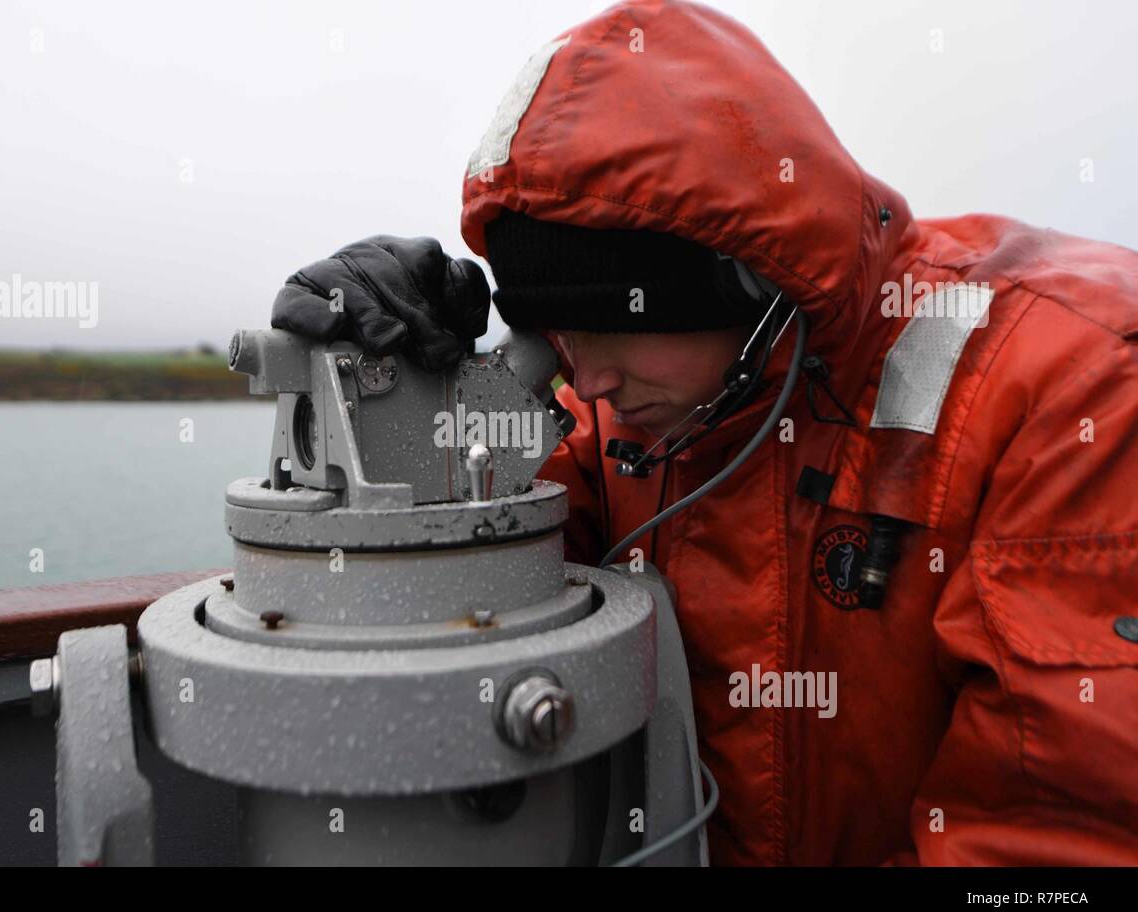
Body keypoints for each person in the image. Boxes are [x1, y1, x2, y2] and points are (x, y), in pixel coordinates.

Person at [270, 0, 1138, 865]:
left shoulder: (1073, 386)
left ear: (755, 284)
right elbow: (459, 593)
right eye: (557, 338)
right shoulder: (620, 409)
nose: (590, 380)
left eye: (618, 328)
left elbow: (1055, 866)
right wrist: (391, 402)